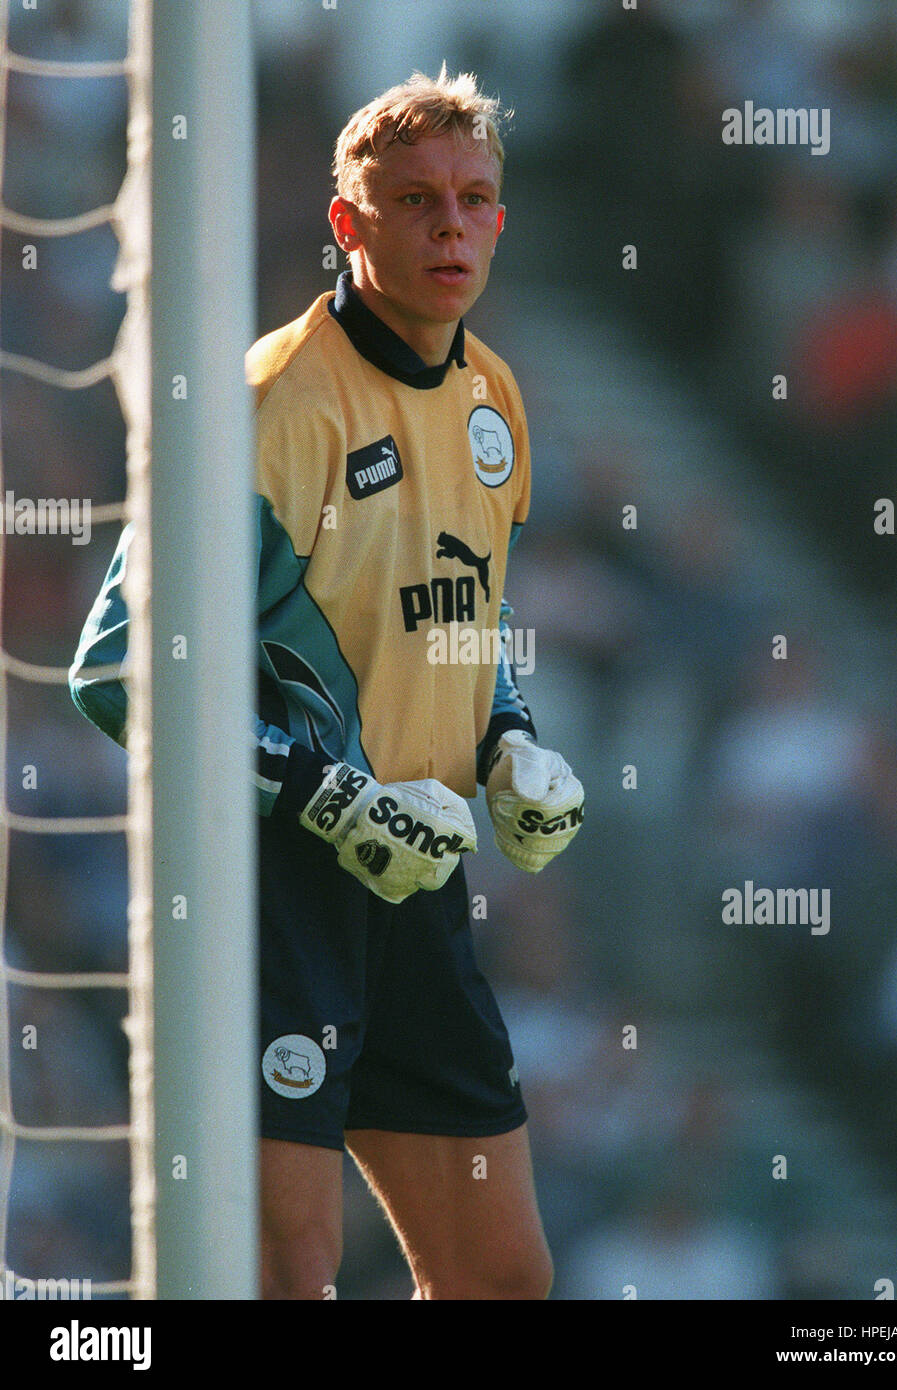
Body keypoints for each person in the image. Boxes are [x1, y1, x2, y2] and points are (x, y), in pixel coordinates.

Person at [70, 66, 584, 1300]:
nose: (450, 226)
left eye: (472, 200)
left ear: (500, 220)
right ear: (348, 224)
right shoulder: (262, 408)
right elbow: (120, 669)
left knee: (503, 1276)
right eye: (413, 202)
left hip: (417, 880)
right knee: (277, 1275)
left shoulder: (491, 397)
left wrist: (510, 738)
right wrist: (329, 799)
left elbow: (460, 606)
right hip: (267, 894)